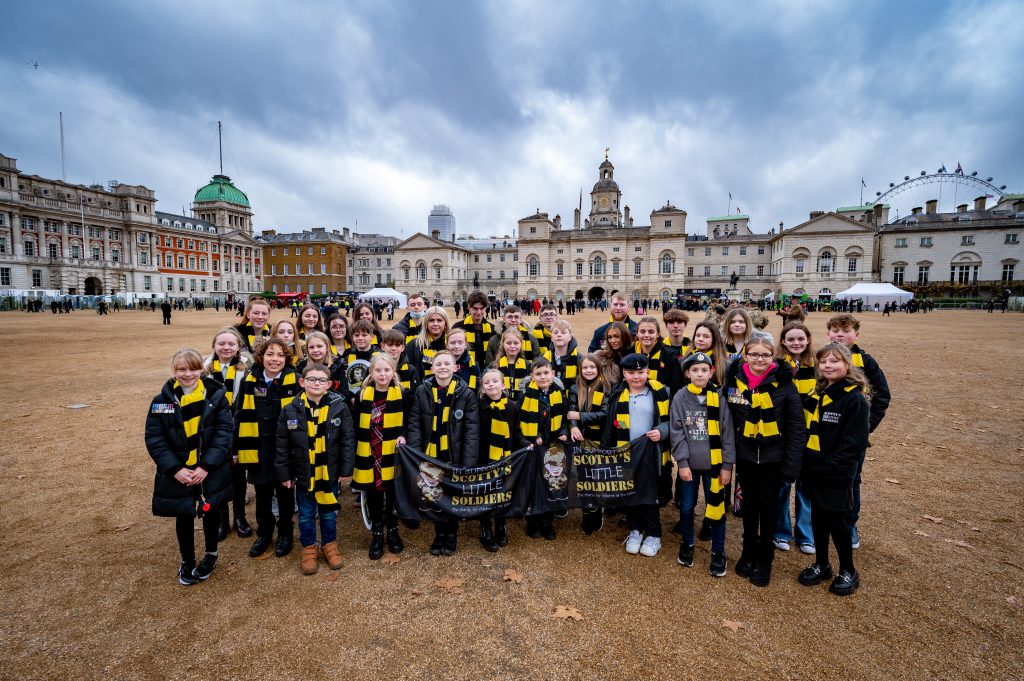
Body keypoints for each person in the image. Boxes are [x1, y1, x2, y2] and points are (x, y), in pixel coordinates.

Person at [723, 332, 806, 587]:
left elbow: (796, 427)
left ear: (773, 357)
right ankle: (748, 549)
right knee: (748, 505)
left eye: (765, 355)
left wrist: (791, 465)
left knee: (769, 506)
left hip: (773, 457)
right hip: (746, 455)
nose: (760, 359)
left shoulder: (785, 384)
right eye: (754, 354)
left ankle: (765, 556)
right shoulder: (734, 380)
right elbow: (727, 419)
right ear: (745, 356)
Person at [145, 348, 233, 585]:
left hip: (209, 468)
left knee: (211, 510)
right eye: (182, 369)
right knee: (183, 514)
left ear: (201, 369)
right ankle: (187, 559)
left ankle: (211, 554)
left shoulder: (216, 396)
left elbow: (224, 433)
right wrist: (175, 469)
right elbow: (155, 439)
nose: (188, 374)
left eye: (193, 369)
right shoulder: (161, 402)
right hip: (180, 469)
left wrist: (206, 466)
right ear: (174, 371)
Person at [798, 343, 871, 596]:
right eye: (824, 361)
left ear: (847, 364)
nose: (828, 366)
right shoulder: (818, 392)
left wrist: (829, 466)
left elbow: (854, 444)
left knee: (837, 521)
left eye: (834, 361)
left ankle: (848, 569)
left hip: (836, 473)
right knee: (818, 517)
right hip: (813, 468)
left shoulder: (854, 399)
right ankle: (822, 563)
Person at [275, 363, 355, 575]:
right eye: (311, 379)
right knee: (305, 514)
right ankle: (309, 548)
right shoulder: (289, 409)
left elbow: (347, 440)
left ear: (329, 384)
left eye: (321, 380)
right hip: (304, 473)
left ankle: (329, 545)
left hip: (329, 472)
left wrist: (346, 469)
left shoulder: (340, 407)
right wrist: (285, 473)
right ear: (302, 382)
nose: (316, 383)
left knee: (328, 514)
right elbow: (282, 445)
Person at [824, 314, 890, 549]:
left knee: (851, 479)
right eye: (835, 330)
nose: (840, 334)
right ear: (828, 334)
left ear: (856, 334)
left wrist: (865, 427)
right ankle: (822, 522)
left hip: (852, 437)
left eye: (846, 330)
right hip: (826, 432)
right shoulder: (823, 358)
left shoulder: (866, 361)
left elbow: (882, 395)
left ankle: (850, 524)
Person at [406, 351, 480, 556]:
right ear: (432, 368)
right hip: (431, 453)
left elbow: (471, 431)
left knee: (452, 495)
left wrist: (468, 462)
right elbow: (414, 424)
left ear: (455, 368)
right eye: (438, 364)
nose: (443, 367)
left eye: (447, 363)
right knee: (434, 494)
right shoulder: (422, 391)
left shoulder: (466, 393)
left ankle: (452, 533)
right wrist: (416, 454)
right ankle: (439, 532)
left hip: (454, 455)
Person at [233, 338, 301, 559]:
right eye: (270, 354)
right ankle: (264, 533)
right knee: (262, 494)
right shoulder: (249, 380)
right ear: (261, 357)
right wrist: (236, 448)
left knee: (285, 493)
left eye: (280, 355)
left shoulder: (295, 380)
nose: (275, 359)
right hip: (258, 447)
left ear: (286, 358)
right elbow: (239, 415)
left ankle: (285, 533)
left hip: (285, 449)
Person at [670, 351, 735, 577]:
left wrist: (727, 465)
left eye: (704, 370)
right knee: (687, 506)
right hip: (690, 466)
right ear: (687, 373)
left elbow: (728, 433)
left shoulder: (719, 397)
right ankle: (687, 543)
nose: (699, 374)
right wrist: (682, 463)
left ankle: (718, 551)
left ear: (711, 372)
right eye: (695, 370)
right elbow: (677, 432)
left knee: (715, 508)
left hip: (714, 467)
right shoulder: (680, 397)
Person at [602, 353, 671, 557]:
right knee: (630, 491)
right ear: (624, 373)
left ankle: (654, 534)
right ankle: (635, 530)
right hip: (626, 451)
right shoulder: (617, 395)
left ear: (647, 372)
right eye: (631, 373)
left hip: (651, 453)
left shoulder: (661, 392)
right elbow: (611, 426)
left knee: (650, 494)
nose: (636, 377)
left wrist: (662, 431)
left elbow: (672, 421)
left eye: (640, 372)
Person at [353, 354, 410, 559]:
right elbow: (356, 423)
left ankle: (392, 528)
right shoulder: (363, 394)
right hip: (370, 448)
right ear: (372, 372)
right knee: (374, 490)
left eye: (387, 370)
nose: (382, 374)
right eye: (378, 370)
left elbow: (409, 420)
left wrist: (403, 435)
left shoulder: (403, 393)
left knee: (392, 489)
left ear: (393, 372)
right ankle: (377, 531)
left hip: (393, 449)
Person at [202, 327, 253, 540]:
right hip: (213, 429)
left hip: (239, 426)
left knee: (238, 475)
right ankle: (222, 519)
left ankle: (240, 518)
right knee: (218, 475)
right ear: (214, 345)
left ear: (238, 347)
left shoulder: (247, 367)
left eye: (231, 344)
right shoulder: (204, 368)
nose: (226, 347)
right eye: (221, 343)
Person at [774, 321, 817, 554]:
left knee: (806, 486)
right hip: (785, 433)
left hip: (810, 432)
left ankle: (805, 534)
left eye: (801, 339)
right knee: (782, 484)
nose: (796, 343)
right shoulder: (777, 365)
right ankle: (781, 531)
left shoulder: (817, 365)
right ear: (783, 341)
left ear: (808, 340)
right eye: (791, 339)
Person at [477, 368, 529, 551]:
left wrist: (525, 444)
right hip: (484, 457)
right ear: (482, 387)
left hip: (505, 457)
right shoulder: (478, 406)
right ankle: (485, 529)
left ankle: (501, 526)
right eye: (487, 382)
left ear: (503, 385)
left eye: (495, 381)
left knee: (502, 492)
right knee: (485, 493)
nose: (491, 385)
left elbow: (516, 432)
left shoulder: (512, 406)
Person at [518, 358, 568, 540]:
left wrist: (564, 432)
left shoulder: (560, 393)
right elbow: (521, 420)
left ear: (552, 374)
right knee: (534, 483)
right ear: (532, 376)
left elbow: (565, 417)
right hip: (535, 447)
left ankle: (547, 521)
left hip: (553, 446)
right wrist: (534, 435)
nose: (542, 377)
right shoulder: (525, 395)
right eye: (538, 374)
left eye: (546, 373)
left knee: (551, 483)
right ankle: (533, 521)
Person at [567, 353, 610, 535]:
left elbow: (605, 414)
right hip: (581, 440)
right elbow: (570, 411)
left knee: (597, 478)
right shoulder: (575, 388)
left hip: (599, 440)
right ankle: (587, 512)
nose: (589, 370)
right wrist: (573, 426)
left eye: (592, 367)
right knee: (584, 478)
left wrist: (580, 416)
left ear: (598, 369)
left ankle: (598, 509)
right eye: (585, 367)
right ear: (580, 370)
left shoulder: (605, 387)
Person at [405, 306, 450, 382]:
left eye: (439, 320)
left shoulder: (451, 346)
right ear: (425, 323)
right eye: (431, 320)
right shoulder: (414, 345)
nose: (435, 324)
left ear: (445, 323)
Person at [452, 291, 494, 366]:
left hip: (486, 369)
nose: (479, 312)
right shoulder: (458, 327)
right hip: (465, 369)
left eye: (482, 308)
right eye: (475, 308)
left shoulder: (492, 329)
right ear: (469, 307)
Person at [634, 317, 677, 385]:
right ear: (637, 333)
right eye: (642, 332)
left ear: (658, 334)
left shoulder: (669, 355)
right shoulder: (630, 352)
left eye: (651, 332)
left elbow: (677, 385)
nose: (646, 335)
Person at [492, 328, 530, 401]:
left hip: (522, 403)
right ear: (503, 344)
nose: (512, 346)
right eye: (508, 343)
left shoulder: (528, 365)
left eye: (516, 343)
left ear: (521, 344)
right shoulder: (495, 365)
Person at [542, 319, 579, 389]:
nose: (559, 335)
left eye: (563, 332)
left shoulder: (579, 359)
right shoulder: (543, 359)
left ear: (570, 337)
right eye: (555, 332)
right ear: (551, 338)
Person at [595, 321, 632, 389]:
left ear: (625, 336)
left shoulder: (634, 355)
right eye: (609, 337)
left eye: (616, 336)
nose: (612, 341)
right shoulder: (601, 358)